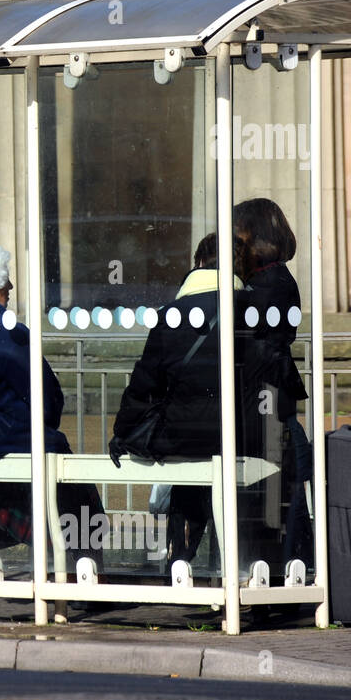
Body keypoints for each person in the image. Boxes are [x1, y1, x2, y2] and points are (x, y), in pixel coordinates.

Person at [0, 245, 105, 566]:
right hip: (2, 443)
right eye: (6, 282)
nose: (10, 289)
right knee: (77, 498)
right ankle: (83, 573)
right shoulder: (7, 330)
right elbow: (47, 395)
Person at [109, 233, 246, 567]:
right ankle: (237, 566)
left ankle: (180, 562)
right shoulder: (253, 311)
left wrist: (123, 432)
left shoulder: (171, 314)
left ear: (199, 263)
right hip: (243, 433)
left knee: (188, 479)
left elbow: (144, 384)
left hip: (184, 433)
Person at [233, 197, 313, 566]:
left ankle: (284, 569)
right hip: (271, 403)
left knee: (279, 502)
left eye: (238, 235)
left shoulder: (267, 285)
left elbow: (254, 344)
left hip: (267, 406)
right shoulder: (270, 280)